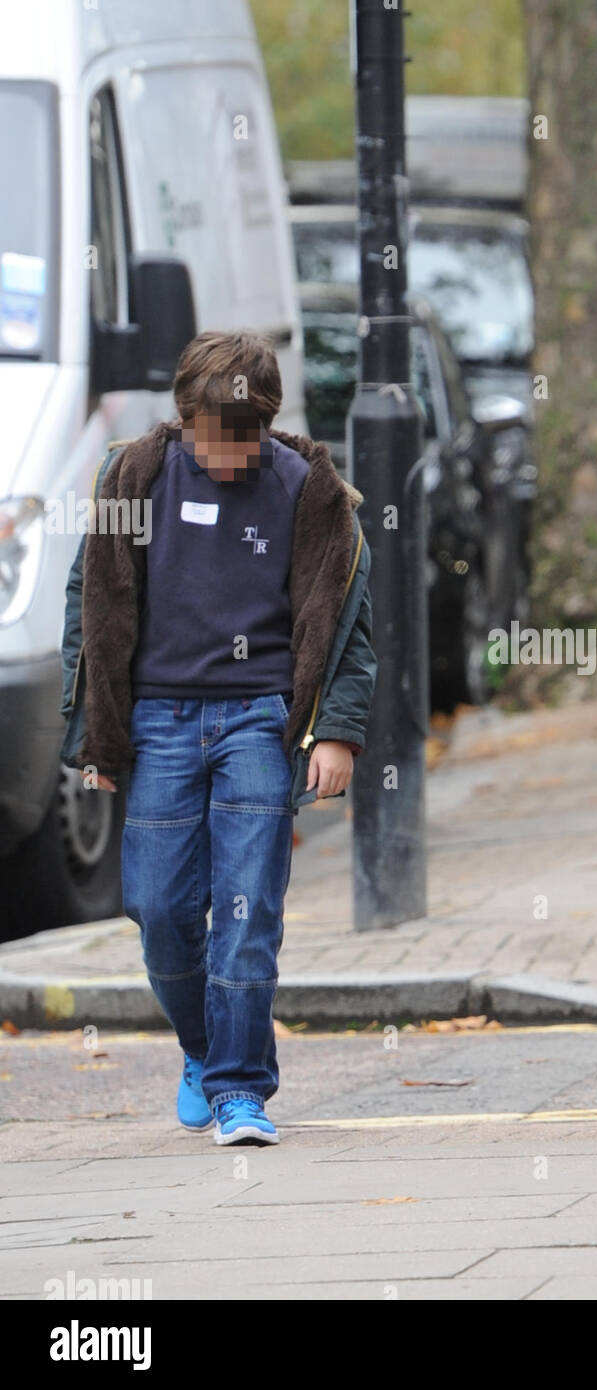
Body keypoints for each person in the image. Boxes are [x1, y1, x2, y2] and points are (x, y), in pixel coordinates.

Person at [59, 331, 377, 1144]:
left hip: (259, 726)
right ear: (185, 418)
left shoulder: (310, 491)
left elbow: (347, 629)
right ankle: (203, 1049)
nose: (229, 451)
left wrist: (334, 733)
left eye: (245, 434)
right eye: (213, 433)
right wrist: (92, 738)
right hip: (157, 722)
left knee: (247, 912)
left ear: (268, 420)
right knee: (158, 909)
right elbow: (87, 608)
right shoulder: (135, 476)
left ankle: (242, 1091)